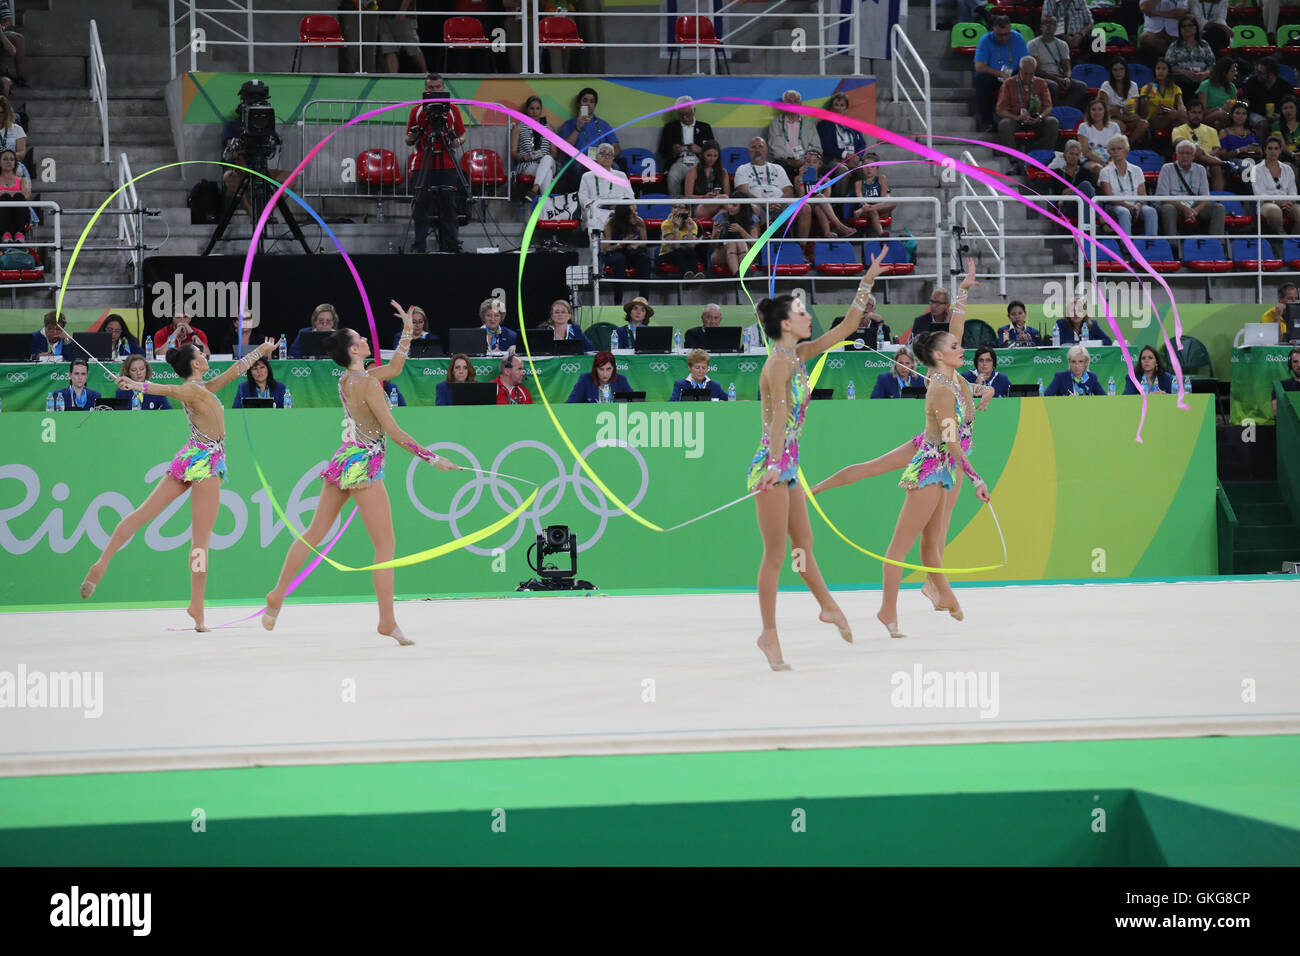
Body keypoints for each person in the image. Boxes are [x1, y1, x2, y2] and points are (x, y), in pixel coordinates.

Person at [262, 303, 459, 645]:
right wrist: (432, 458)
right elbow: (395, 433)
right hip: (364, 463)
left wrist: (409, 330)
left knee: (314, 532)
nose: (367, 338)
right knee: (385, 545)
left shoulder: (348, 379)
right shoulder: (367, 383)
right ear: (354, 349)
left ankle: (277, 594)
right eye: (361, 338)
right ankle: (386, 620)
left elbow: (395, 367)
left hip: (344, 458)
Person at [748, 248, 889, 669]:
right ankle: (768, 635)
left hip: (787, 466)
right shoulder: (777, 363)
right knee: (775, 555)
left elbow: (847, 327)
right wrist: (774, 465)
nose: (809, 316)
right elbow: (776, 421)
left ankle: (827, 605)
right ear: (786, 325)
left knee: (802, 547)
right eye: (802, 312)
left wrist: (867, 281)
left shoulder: (798, 355)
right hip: (771, 466)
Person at [83, 335, 279, 630]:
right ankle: (197, 606)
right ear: (196, 362)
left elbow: (234, 371)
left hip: (189, 457)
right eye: (201, 352)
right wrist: (139, 385)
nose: (205, 355)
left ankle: (102, 562)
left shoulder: (203, 389)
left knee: (143, 514)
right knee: (200, 541)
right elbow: (172, 390)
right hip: (205, 463)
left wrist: (261, 351)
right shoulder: (192, 390)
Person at [872, 260, 992, 639]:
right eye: (955, 347)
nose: (962, 347)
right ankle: (889, 610)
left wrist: (965, 291)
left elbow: (955, 327)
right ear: (940, 355)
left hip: (945, 468)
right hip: (934, 467)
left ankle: (940, 591)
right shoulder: (941, 388)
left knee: (933, 539)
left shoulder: (953, 375)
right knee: (903, 544)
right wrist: (976, 479)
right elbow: (952, 443)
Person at [405, 73, 466, 254]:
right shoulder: (417, 111)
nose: (435, 91)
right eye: (431, 88)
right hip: (423, 162)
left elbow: (462, 134)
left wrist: (458, 142)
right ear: (426, 89)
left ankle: (452, 246)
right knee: (421, 204)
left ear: (443, 87)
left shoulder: (453, 110)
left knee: (449, 204)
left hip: (447, 161)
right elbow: (408, 140)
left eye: (438, 87)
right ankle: (419, 246)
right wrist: (413, 137)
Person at [996, 56, 1059, 173]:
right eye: (1025, 74)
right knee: (1004, 124)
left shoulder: (1041, 83)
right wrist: (1016, 117)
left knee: (1052, 122)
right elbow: (1000, 110)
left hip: (1035, 119)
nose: (1028, 77)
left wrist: (1040, 117)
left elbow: (1048, 106)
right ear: (1020, 70)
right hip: (1015, 118)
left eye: (1031, 74)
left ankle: (1043, 158)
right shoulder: (1009, 83)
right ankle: (1014, 162)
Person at [1156, 139, 1226, 238]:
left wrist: (1194, 211)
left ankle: (1217, 244)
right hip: (1174, 204)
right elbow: (1163, 198)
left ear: (1193, 156)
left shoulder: (1200, 169)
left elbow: (1205, 197)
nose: (1184, 156)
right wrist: (1185, 209)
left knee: (1219, 208)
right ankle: (1172, 244)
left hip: (1194, 204)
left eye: (1188, 153)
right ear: (1176, 155)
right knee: (1168, 208)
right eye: (1181, 153)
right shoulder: (1167, 168)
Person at [973, 15, 1030, 133]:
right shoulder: (985, 39)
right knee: (981, 79)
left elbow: (1025, 62)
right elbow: (979, 66)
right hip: (994, 75)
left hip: (1015, 73)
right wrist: (1000, 74)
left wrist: (1017, 76)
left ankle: (1028, 119)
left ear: (1010, 28)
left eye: (1007, 34)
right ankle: (987, 122)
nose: (1004, 38)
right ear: (993, 29)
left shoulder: (1017, 38)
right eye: (1000, 35)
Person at [559, 86, 620, 192]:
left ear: (595, 105)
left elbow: (617, 148)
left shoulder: (603, 124)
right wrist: (578, 128)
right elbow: (565, 149)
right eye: (585, 100)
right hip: (579, 162)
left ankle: (608, 200)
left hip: (600, 160)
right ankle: (582, 200)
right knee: (578, 168)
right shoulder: (569, 124)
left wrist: (606, 156)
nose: (588, 104)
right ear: (579, 104)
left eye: (592, 101)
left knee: (615, 167)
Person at [1099, 134, 1159, 235]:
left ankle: (1151, 244)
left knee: (1151, 211)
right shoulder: (1105, 171)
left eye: (1119, 148)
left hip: (1135, 204)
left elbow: (1142, 194)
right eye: (1113, 149)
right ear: (1109, 152)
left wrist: (1138, 205)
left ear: (1126, 151)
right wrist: (1128, 206)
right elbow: (1110, 198)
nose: (1116, 152)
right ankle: (1127, 247)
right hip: (1114, 205)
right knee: (1124, 212)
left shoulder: (1137, 170)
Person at [658, 95, 716, 197]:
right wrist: (673, 150)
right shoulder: (670, 127)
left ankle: (703, 204)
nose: (685, 117)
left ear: (694, 111)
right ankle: (677, 206)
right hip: (679, 161)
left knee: (707, 175)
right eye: (681, 114)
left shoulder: (705, 127)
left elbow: (714, 150)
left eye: (688, 114)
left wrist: (700, 150)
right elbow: (662, 151)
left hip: (699, 161)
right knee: (672, 176)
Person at [1028, 14, 1087, 112]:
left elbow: (1067, 67)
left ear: (1056, 27)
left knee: (1081, 86)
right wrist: (1056, 79)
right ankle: (1053, 112)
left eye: (1052, 23)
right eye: (1045, 23)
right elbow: (1036, 70)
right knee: (1053, 86)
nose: (1049, 26)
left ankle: (1065, 110)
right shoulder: (1033, 44)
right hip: (1042, 77)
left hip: (1059, 76)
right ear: (1040, 27)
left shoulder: (1062, 44)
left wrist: (1067, 78)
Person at [731, 136, 793, 229]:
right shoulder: (742, 169)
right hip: (758, 206)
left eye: (760, 146)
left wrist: (779, 202)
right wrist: (763, 203)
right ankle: (757, 242)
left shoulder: (778, 168)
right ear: (749, 151)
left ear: (766, 149)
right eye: (754, 147)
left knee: (805, 208)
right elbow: (743, 192)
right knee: (752, 209)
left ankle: (802, 243)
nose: (757, 150)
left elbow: (789, 190)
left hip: (780, 204)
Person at [600, 203, 652, 302]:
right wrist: (622, 243)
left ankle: (643, 301)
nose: (635, 215)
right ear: (623, 214)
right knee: (620, 260)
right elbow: (606, 248)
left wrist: (636, 244)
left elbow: (644, 242)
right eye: (631, 213)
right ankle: (618, 302)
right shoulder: (610, 224)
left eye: (636, 211)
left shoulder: (639, 221)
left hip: (632, 252)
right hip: (616, 252)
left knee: (644, 259)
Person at [816, 92, 869, 191]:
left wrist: (857, 157)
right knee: (842, 171)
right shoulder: (824, 124)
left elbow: (862, 144)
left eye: (842, 105)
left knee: (866, 168)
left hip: (854, 159)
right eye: (836, 105)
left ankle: (865, 202)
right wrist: (845, 155)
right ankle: (839, 205)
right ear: (831, 107)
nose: (838, 108)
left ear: (846, 108)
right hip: (833, 160)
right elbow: (825, 146)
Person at [579, 142, 634, 235]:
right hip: (596, 208)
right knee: (594, 215)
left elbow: (630, 196)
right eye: (603, 153)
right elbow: (582, 197)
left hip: (617, 209)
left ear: (613, 158)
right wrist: (595, 204)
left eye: (610, 154)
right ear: (596, 157)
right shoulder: (587, 176)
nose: (606, 156)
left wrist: (620, 206)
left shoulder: (621, 175)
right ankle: (597, 247)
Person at [1172, 100, 1227, 190]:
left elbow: (1217, 149)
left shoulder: (1211, 130)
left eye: (1199, 113)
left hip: (1210, 161)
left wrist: (1206, 157)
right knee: (1195, 151)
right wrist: (1201, 154)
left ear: (1203, 114)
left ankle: (1218, 198)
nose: (1196, 115)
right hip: (1189, 160)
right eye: (1193, 112)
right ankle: (1224, 164)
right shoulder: (1178, 130)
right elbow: (1180, 144)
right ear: (1187, 113)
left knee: (1215, 167)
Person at [1251, 135, 1300, 236]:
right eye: (1270, 148)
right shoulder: (1255, 170)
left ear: (1280, 150)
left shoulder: (1288, 169)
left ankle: (1295, 241)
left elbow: (1293, 192)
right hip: (1266, 204)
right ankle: (1283, 238)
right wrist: (1278, 202)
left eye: (1276, 148)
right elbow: (1259, 194)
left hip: (1287, 203)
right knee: (1275, 211)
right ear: (1265, 150)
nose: (1273, 151)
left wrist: (1289, 202)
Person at [512, 95, 557, 204]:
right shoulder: (519, 127)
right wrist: (524, 157)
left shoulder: (548, 127)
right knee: (547, 172)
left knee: (547, 158)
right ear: (527, 110)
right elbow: (513, 152)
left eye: (537, 108)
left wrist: (547, 157)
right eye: (532, 108)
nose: (535, 112)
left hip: (548, 161)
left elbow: (554, 152)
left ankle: (534, 189)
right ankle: (546, 207)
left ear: (541, 110)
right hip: (528, 164)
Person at [1165, 15, 1217, 103]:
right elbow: (1168, 67)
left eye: (1190, 25)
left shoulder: (1204, 45)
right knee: (1182, 82)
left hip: (1202, 77)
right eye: (1183, 26)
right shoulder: (1174, 46)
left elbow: (1212, 65)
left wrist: (1204, 74)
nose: (1187, 28)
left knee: (1207, 83)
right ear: (1180, 30)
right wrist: (1185, 73)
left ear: (1196, 28)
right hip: (1182, 79)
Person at [1099, 58, 1149, 147]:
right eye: (1115, 70)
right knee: (1120, 125)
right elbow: (1104, 109)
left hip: (1126, 117)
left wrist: (1117, 111)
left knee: (1144, 124)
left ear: (1126, 70)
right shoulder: (1106, 85)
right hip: (1112, 118)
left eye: (1121, 69)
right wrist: (1121, 110)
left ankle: (1127, 146)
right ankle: (1114, 147)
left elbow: (1132, 109)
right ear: (1111, 72)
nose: (1118, 72)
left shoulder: (1133, 85)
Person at [766, 89, 820, 164]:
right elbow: (775, 148)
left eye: (796, 101)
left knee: (820, 168)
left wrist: (807, 159)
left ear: (800, 103)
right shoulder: (776, 124)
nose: (793, 104)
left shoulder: (809, 124)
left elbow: (816, 146)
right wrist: (790, 160)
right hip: (785, 161)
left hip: (806, 161)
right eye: (789, 101)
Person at [1049, 140, 1097, 223]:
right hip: (1066, 206)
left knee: (1084, 192)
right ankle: (1096, 219)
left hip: (1083, 204)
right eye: (1071, 153)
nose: (1073, 157)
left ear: (1079, 157)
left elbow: (1092, 190)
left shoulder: (1085, 172)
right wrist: (1080, 190)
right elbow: (1061, 192)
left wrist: (1070, 191)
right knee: (1085, 186)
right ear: (1065, 154)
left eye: (1076, 154)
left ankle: (1085, 228)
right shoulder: (1057, 173)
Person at [1140, 58, 1189, 140]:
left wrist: (1178, 110)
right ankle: (1194, 136)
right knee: (1178, 115)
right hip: (1153, 119)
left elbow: (1181, 106)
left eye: (1163, 69)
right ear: (1154, 71)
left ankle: (1178, 147)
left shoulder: (1174, 88)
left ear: (1168, 72)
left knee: (1177, 124)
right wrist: (1146, 97)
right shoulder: (1148, 88)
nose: (1160, 71)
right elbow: (1143, 113)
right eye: (1158, 68)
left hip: (1170, 117)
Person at [1243, 58, 1291, 141]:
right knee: (1263, 123)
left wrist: (1281, 116)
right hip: (1255, 114)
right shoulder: (1252, 82)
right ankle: (1260, 149)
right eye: (1257, 72)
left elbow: (1292, 106)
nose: (1258, 75)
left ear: (1271, 74)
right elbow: (1246, 101)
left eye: (1261, 73)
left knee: (1282, 124)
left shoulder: (1285, 86)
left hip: (1278, 116)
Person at [850, 151, 896, 236]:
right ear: (862, 168)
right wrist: (865, 206)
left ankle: (868, 209)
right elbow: (860, 197)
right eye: (866, 166)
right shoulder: (859, 183)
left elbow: (883, 199)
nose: (869, 169)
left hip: (877, 207)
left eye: (872, 167)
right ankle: (882, 234)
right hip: (866, 210)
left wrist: (870, 207)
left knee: (893, 202)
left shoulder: (882, 178)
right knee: (873, 211)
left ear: (877, 168)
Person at [683, 139, 729, 221]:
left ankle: (718, 219)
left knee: (724, 210)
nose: (712, 159)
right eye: (709, 155)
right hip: (699, 206)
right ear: (703, 154)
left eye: (715, 156)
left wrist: (716, 197)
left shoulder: (723, 172)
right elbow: (688, 196)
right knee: (728, 205)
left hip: (720, 204)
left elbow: (727, 195)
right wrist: (704, 197)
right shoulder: (693, 171)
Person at [710, 198, 757, 277]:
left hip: (744, 252)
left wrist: (741, 230)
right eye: (729, 204)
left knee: (740, 242)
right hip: (720, 254)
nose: (730, 207)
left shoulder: (750, 218)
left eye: (734, 205)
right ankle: (740, 275)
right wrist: (717, 232)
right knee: (732, 243)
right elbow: (714, 246)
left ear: (742, 207)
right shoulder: (720, 217)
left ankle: (738, 276)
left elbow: (756, 245)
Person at [379, 0, 426, 74]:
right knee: (389, 49)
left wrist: (403, 10)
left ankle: (425, 73)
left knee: (413, 48)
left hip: (405, 16)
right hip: (383, 14)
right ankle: (393, 77)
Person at [567, 350, 632, 402]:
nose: (605, 374)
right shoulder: (585, 380)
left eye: (608, 369)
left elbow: (635, 402)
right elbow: (570, 404)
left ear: (614, 368)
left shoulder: (621, 380)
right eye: (601, 369)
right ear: (595, 368)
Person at [1079, 99, 1123, 175]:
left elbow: (1119, 148)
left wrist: (1110, 162)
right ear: (1089, 112)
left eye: (1100, 109)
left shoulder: (1114, 126)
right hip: (1090, 160)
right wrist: (1103, 163)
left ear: (1104, 111)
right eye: (1093, 109)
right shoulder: (1083, 127)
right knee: (1099, 169)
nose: (1097, 112)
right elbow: (1085, 151)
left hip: (1112, 159)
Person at [659, 200, 702, 277]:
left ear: (687, 210)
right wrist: (676, 228)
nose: (676, 210)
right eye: (674, 207)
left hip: (684, 253)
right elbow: (675, 246)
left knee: (690, 250)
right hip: (667, 254)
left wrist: (689, 230)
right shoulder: (666, 224)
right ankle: (686, 275)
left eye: (680, 207)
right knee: (679, 251)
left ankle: (695, 275)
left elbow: (691, 246)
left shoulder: (692, 224)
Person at [1198, 57, 1239, 131]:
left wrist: (1231, 108)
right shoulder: (1205, 85)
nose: (1236, 73)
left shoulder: (1232, 87)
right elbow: (1202, 111)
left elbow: (1236, 108)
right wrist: (1221, 109)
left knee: (1218, 122)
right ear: (1224, 73)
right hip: (1207, 117)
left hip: (1227, 117)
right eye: (1232, 71)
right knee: (1221, 114)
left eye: (1235, 71)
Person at [0, 144, 27, 240]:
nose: (9, 162)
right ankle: (5, 233)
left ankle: (19, 233)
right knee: (5, 198)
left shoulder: (22, 180)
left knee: (18, 196)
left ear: (15, 163)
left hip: (18, 211)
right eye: (5, 159)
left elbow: (26, 196)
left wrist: (3, 192)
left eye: (11, 159)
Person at [1273, 347, 1300, 415]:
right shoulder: (1281, 386)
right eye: (1295, 361)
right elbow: (1277, 413)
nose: (1299, 365)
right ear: (1290, 364)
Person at [0, 95, 25, 163]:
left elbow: (22, 153)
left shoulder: (17, 129)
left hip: (12, 164)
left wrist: (7, 156)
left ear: (7, 113)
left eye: (1, 113)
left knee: (19, 171)